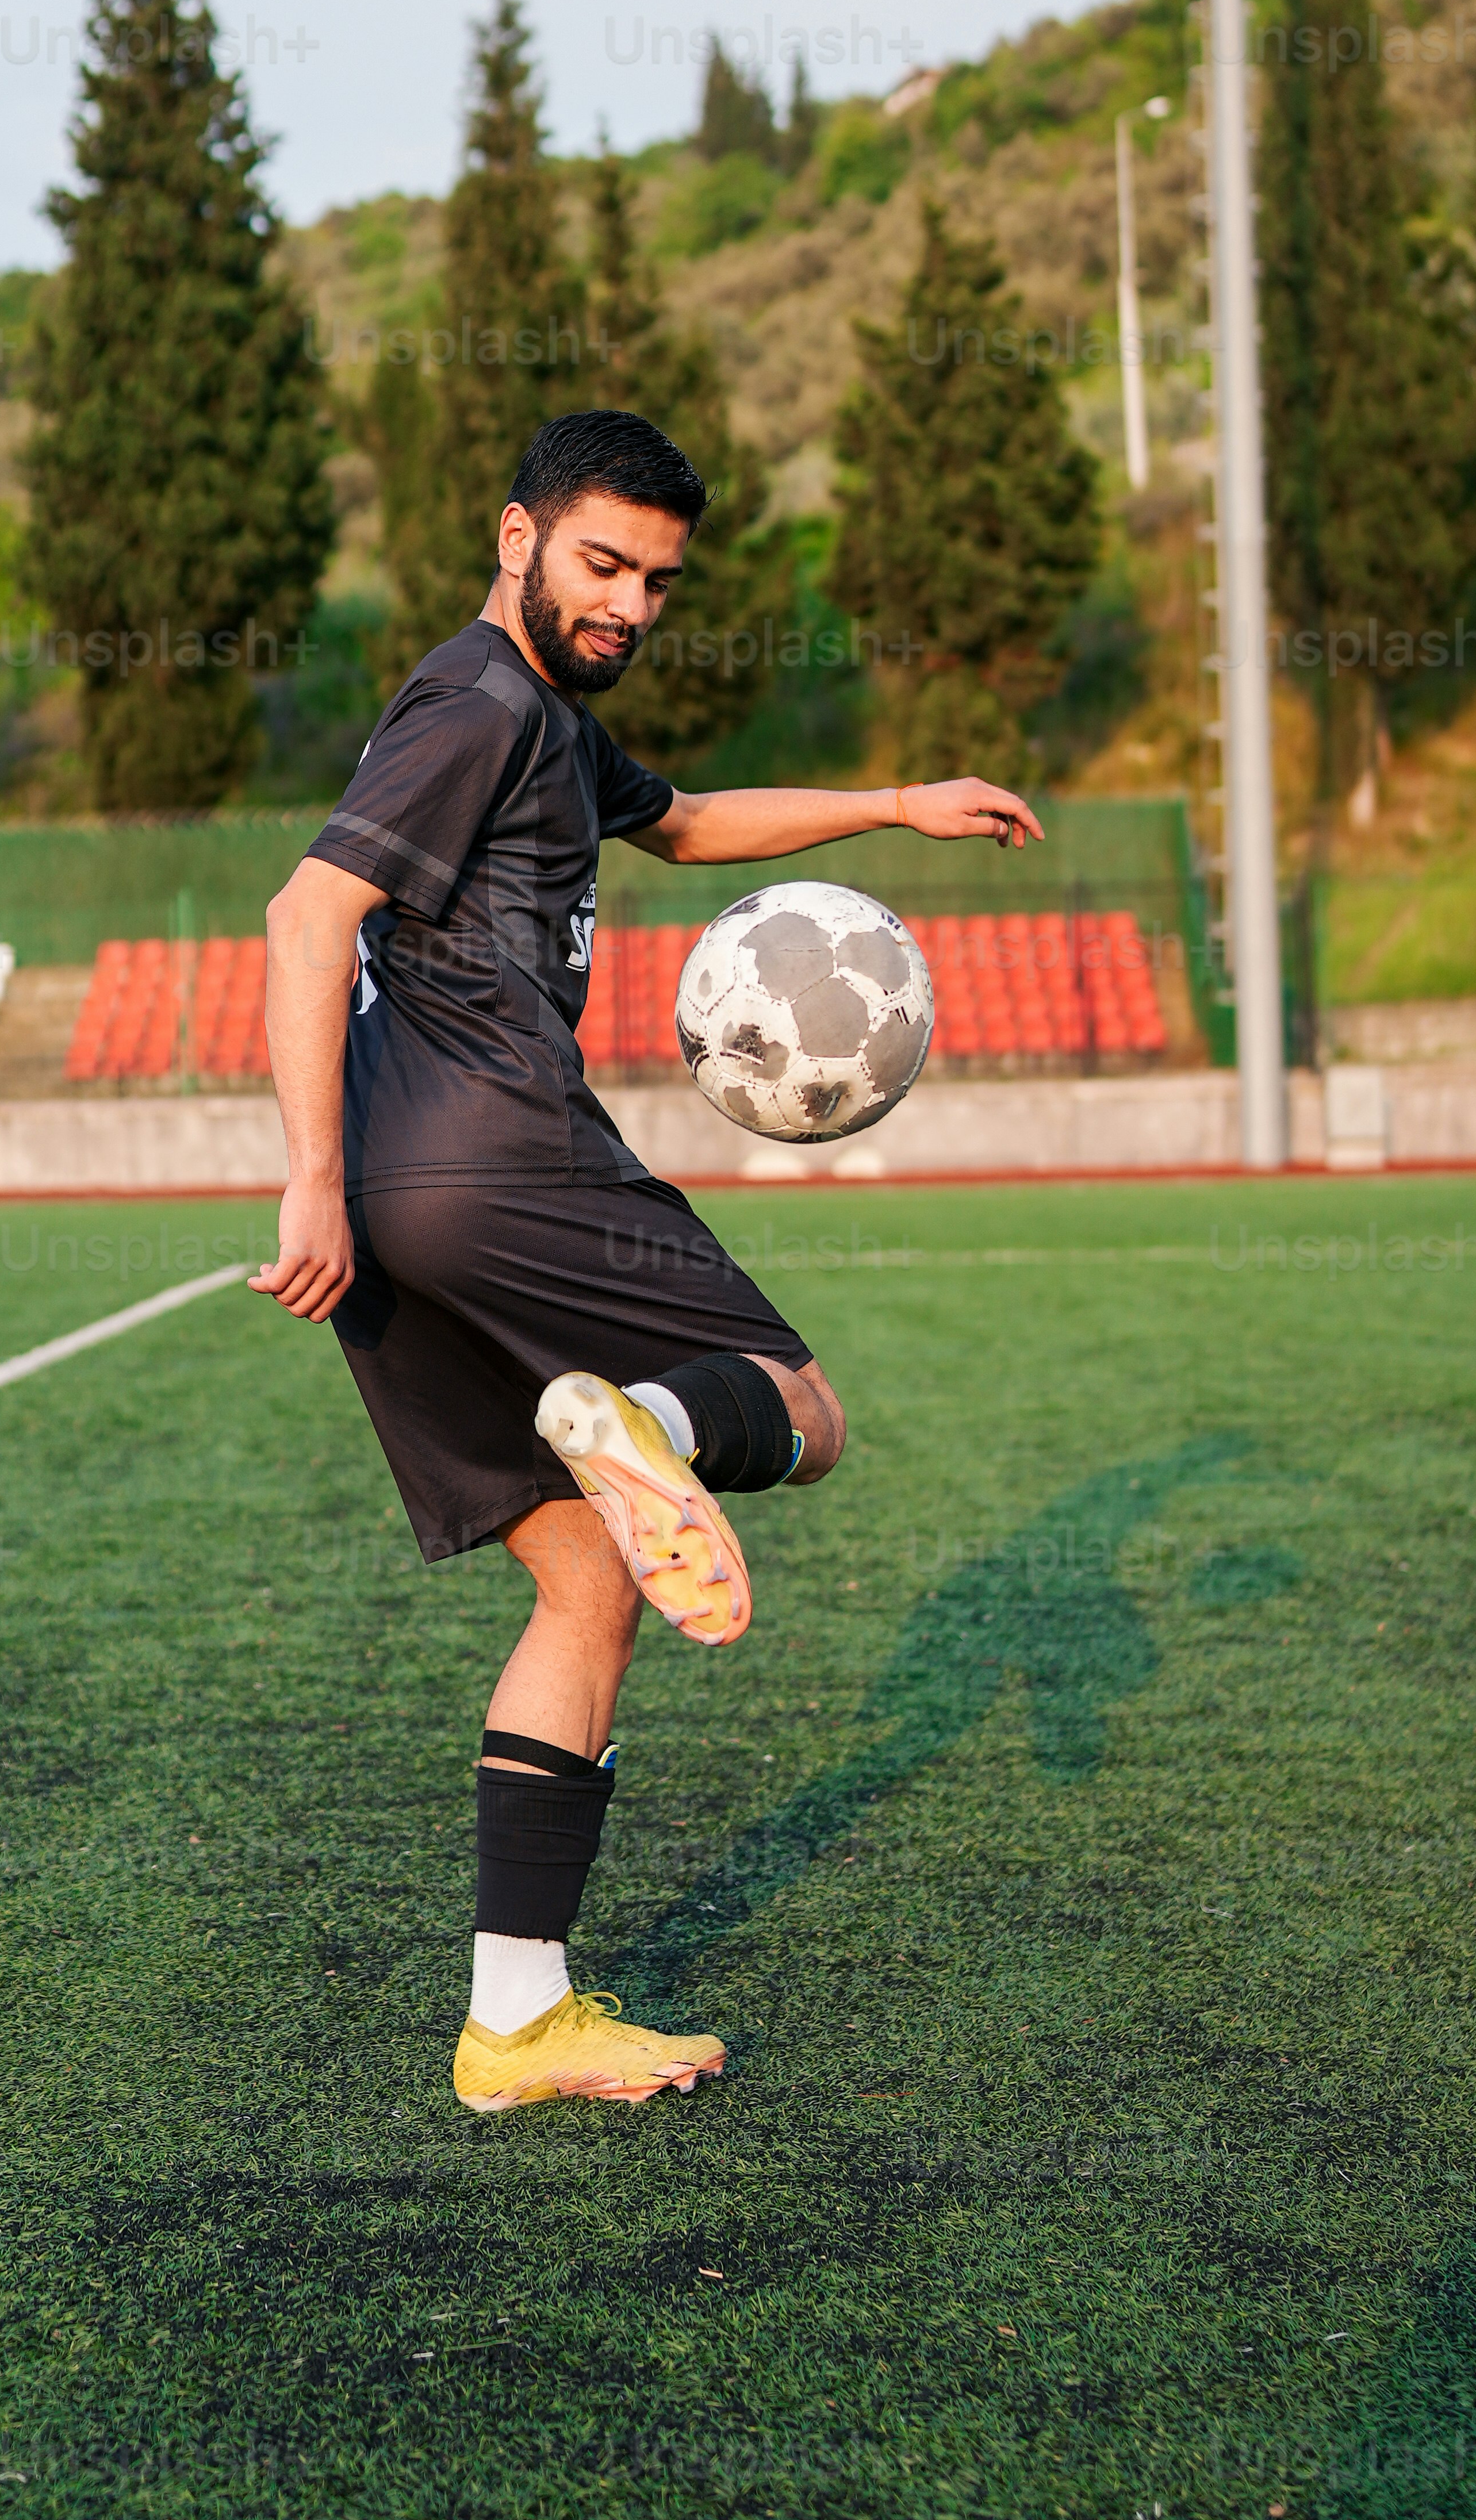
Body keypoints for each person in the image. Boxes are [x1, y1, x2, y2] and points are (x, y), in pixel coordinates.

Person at [251, 406, 1037, 2113]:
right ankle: (649, 1434)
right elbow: (308, 914)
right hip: (488, 1151)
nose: (627, 604)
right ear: (516, 535)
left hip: (405, 1213)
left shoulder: (546, 721)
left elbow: (682, 824)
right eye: (600, 563)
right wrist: (304, 1178)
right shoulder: (476, 702)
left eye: (657, 582)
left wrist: (898, 803)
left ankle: (514, 2026)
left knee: (588, 1579)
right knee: (805, 1408)